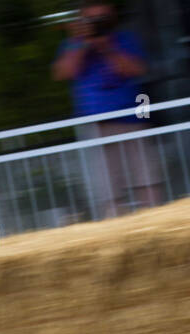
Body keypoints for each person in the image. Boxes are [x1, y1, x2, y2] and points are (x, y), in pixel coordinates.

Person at [52, 2, 163, 219]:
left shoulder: (125, 39)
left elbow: (136, 69)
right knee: (107, 189)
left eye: (102, 19)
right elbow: (64, 73)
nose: (97, 24)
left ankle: (156, 222)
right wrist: (80, 43)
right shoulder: (72, 44)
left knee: (147, 180)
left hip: (133, 118)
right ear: (82, 20)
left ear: (112, 17)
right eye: (91, 20)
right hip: (95, 124)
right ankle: (117, 232)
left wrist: (106, 47)